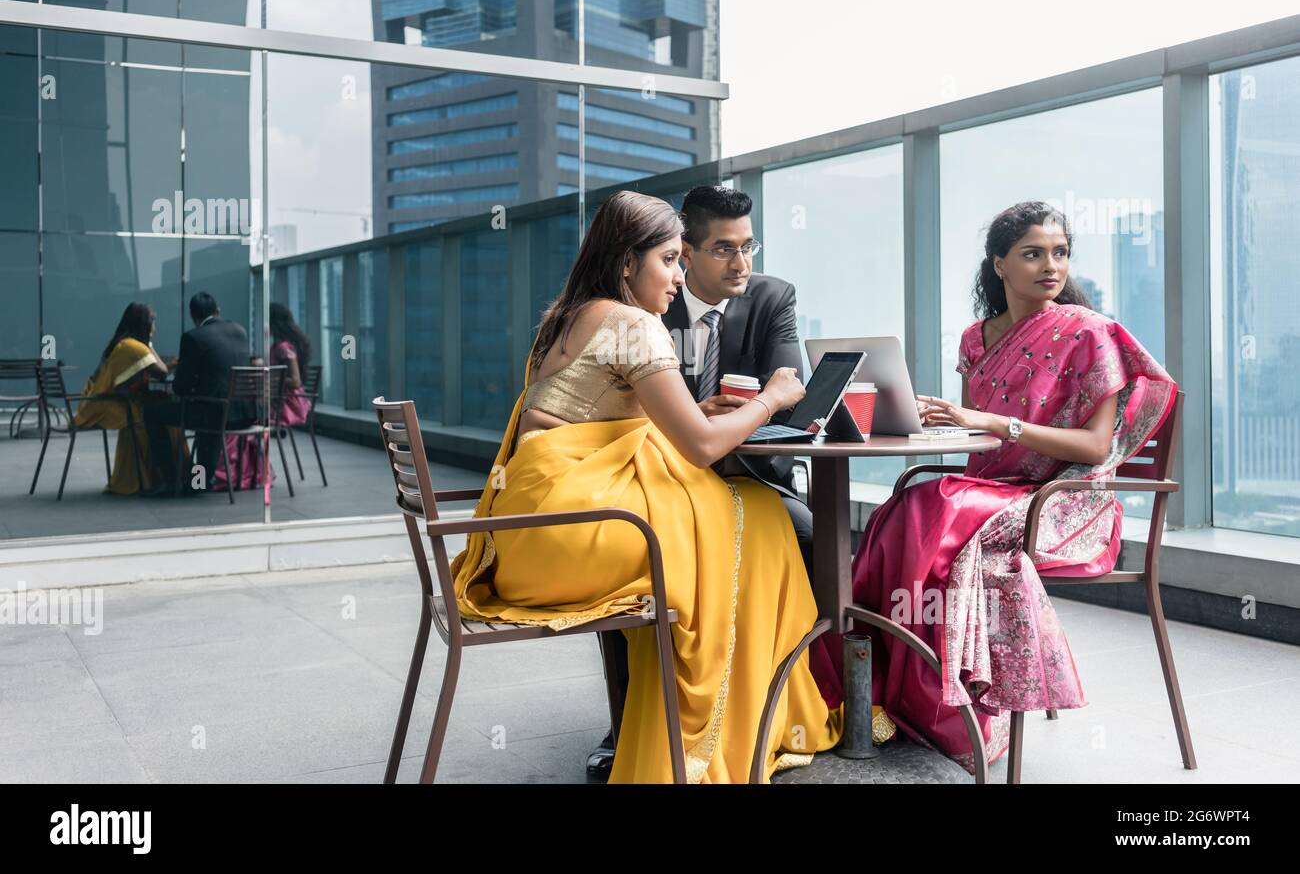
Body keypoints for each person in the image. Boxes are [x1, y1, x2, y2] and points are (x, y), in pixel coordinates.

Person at [449, 190, 843, 783]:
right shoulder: (636, 324)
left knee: (739, 520)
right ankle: (724, 734)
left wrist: (698, 409)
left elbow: (599, 421)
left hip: (529, 531)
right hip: (573, 535)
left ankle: (684, 718)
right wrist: (772, 400)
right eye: (669, 261)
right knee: (761, 524)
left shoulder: (568, 314)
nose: (681, 278)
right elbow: (703, 448)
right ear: (628, 262)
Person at [808, 200, 1177, 774]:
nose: (1050, 266)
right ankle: (880, 692)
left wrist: (987, 422)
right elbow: (985, 449)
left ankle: (944, 709)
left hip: (1065, 499)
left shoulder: (1090, 334)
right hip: (989, 488)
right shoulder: (976, 339)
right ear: (999, 264)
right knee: (902, 510)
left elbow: (1094, 448)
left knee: (934, 508)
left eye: (1059, 253)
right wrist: (937, 422)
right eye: (1032, 254)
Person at [588, 184, 814, 778]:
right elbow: (667, 416)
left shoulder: (772, 298)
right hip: (658, 489)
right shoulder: (641, 317)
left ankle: (772, 706)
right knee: (657, 568)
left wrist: (720, 413)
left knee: (812, 540)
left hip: (747, 478)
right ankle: (635, 722)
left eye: (749, 247)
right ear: (683, 252)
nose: (742, 264)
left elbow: (794, 401)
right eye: (724, 249)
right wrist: (709, 414)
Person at [143, 292, 252, 495]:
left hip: (215, 414)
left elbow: (180, 386)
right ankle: (200, 482)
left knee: (152, 413)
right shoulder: (240, 330)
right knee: (208, 419)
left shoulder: (193, 337)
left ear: (193, 315)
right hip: (245, 414)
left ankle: (171, 479)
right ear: (218, 311)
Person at [74, 302, 171, 494]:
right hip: (101, 405)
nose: (155, 328)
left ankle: (154, 478)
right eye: (153, 322)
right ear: (143, 325)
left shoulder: (125, 342)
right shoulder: (132, 346)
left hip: (102, 400)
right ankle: (152, 479)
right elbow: (163, 371)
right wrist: (150, 345)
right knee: (145, 416)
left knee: (151, 409)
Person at [270, 302, 312, 427]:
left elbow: (295, 381)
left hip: (286, 405)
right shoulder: (283, 346)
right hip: (288, 401)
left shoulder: (283, 347)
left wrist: (272, 378)